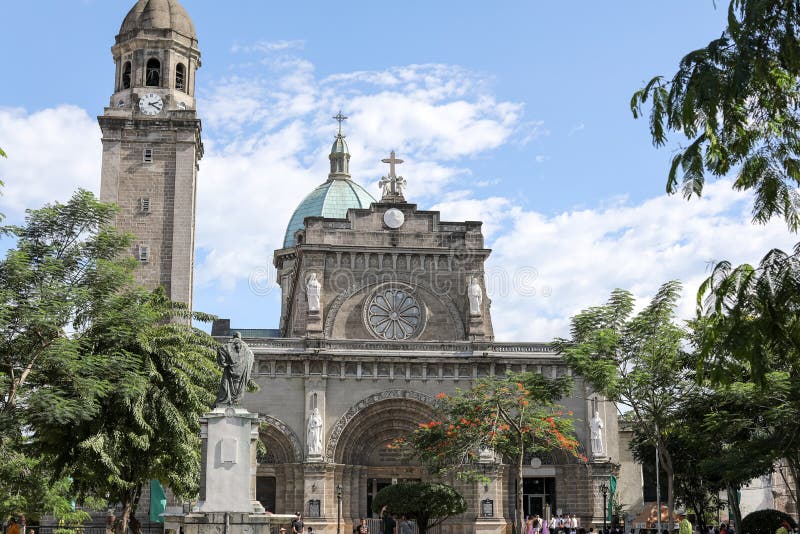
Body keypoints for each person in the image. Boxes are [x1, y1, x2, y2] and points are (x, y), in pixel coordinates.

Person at [215, 332, 254, 407]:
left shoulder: (228, 345)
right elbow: (251, 357)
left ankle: (229, 401)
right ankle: (234, 401)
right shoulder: (248, 350)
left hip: (229, 372)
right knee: (237, 387)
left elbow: (221, 350)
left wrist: (225, 363)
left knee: (225, 389)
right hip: (241, 374)